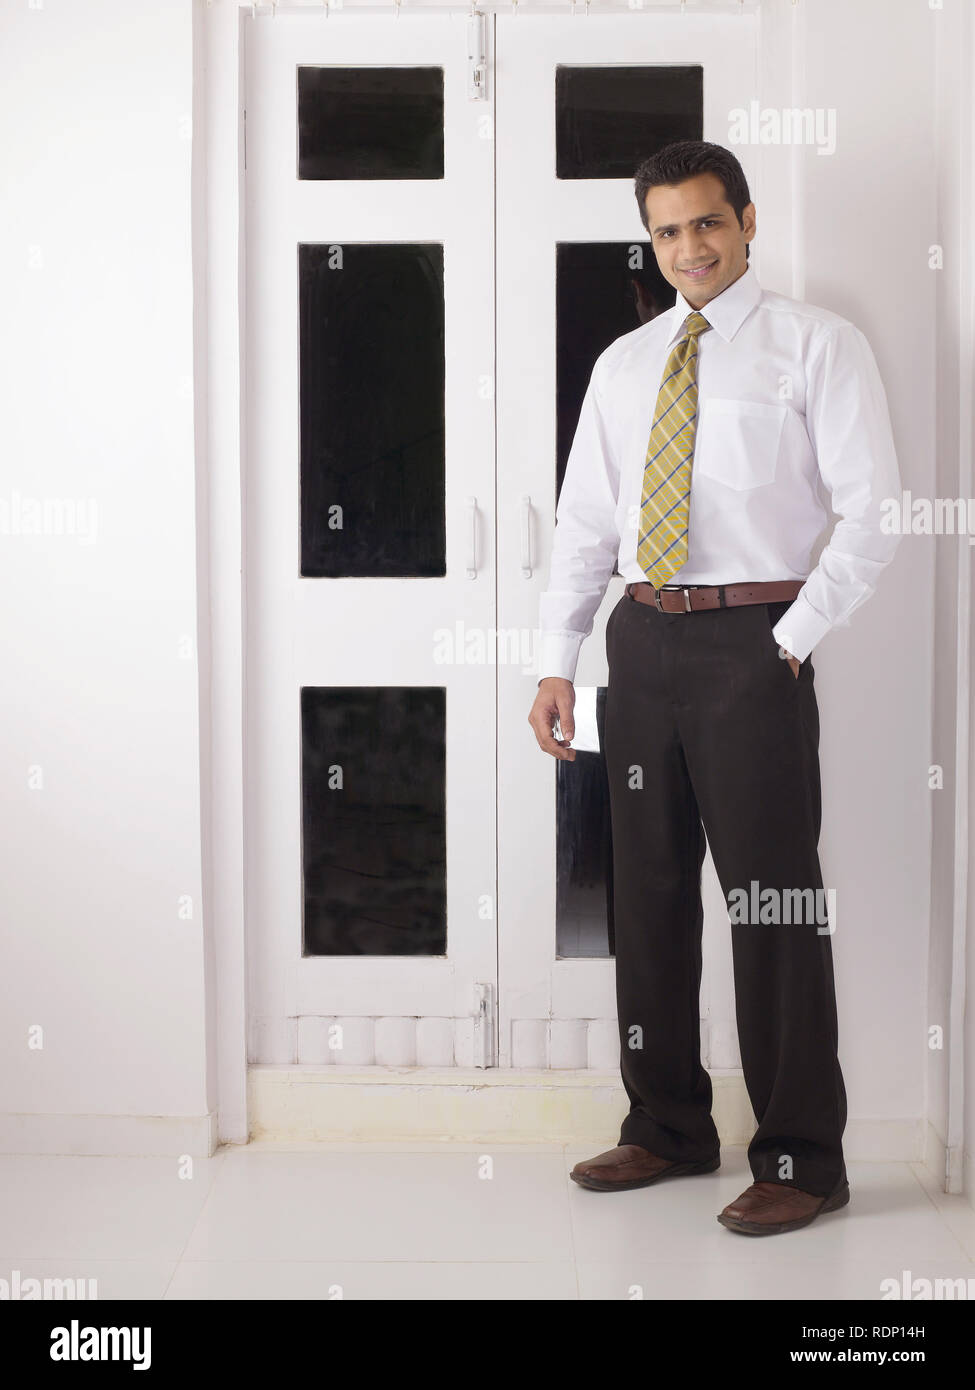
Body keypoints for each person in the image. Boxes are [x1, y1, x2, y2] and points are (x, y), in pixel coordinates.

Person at [527, 140, 901, 1236]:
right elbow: (587, 524)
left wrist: (791, 637)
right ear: (650, 240)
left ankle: (801, 1155)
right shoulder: (624, 365)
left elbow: (875, 510)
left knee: (771, 900)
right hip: (639, 648)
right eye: (667, 230)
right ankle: (666, 1125)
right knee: (641, 894)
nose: (689, 247)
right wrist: (558, 656)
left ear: (745, 221)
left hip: (756, 647)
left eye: (706, 223)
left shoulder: (816, 347)